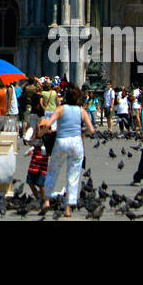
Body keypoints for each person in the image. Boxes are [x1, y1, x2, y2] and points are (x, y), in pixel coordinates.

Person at [39, 86, 95, 216]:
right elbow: (91, 130)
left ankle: (46, 201)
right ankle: (68, 209)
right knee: (73, 175)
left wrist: (41, 133)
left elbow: (48, 124)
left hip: (62, 142)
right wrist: (81, 130)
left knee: (53, 171)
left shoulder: (61, 109)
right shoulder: (81, 111)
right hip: (76, 143)